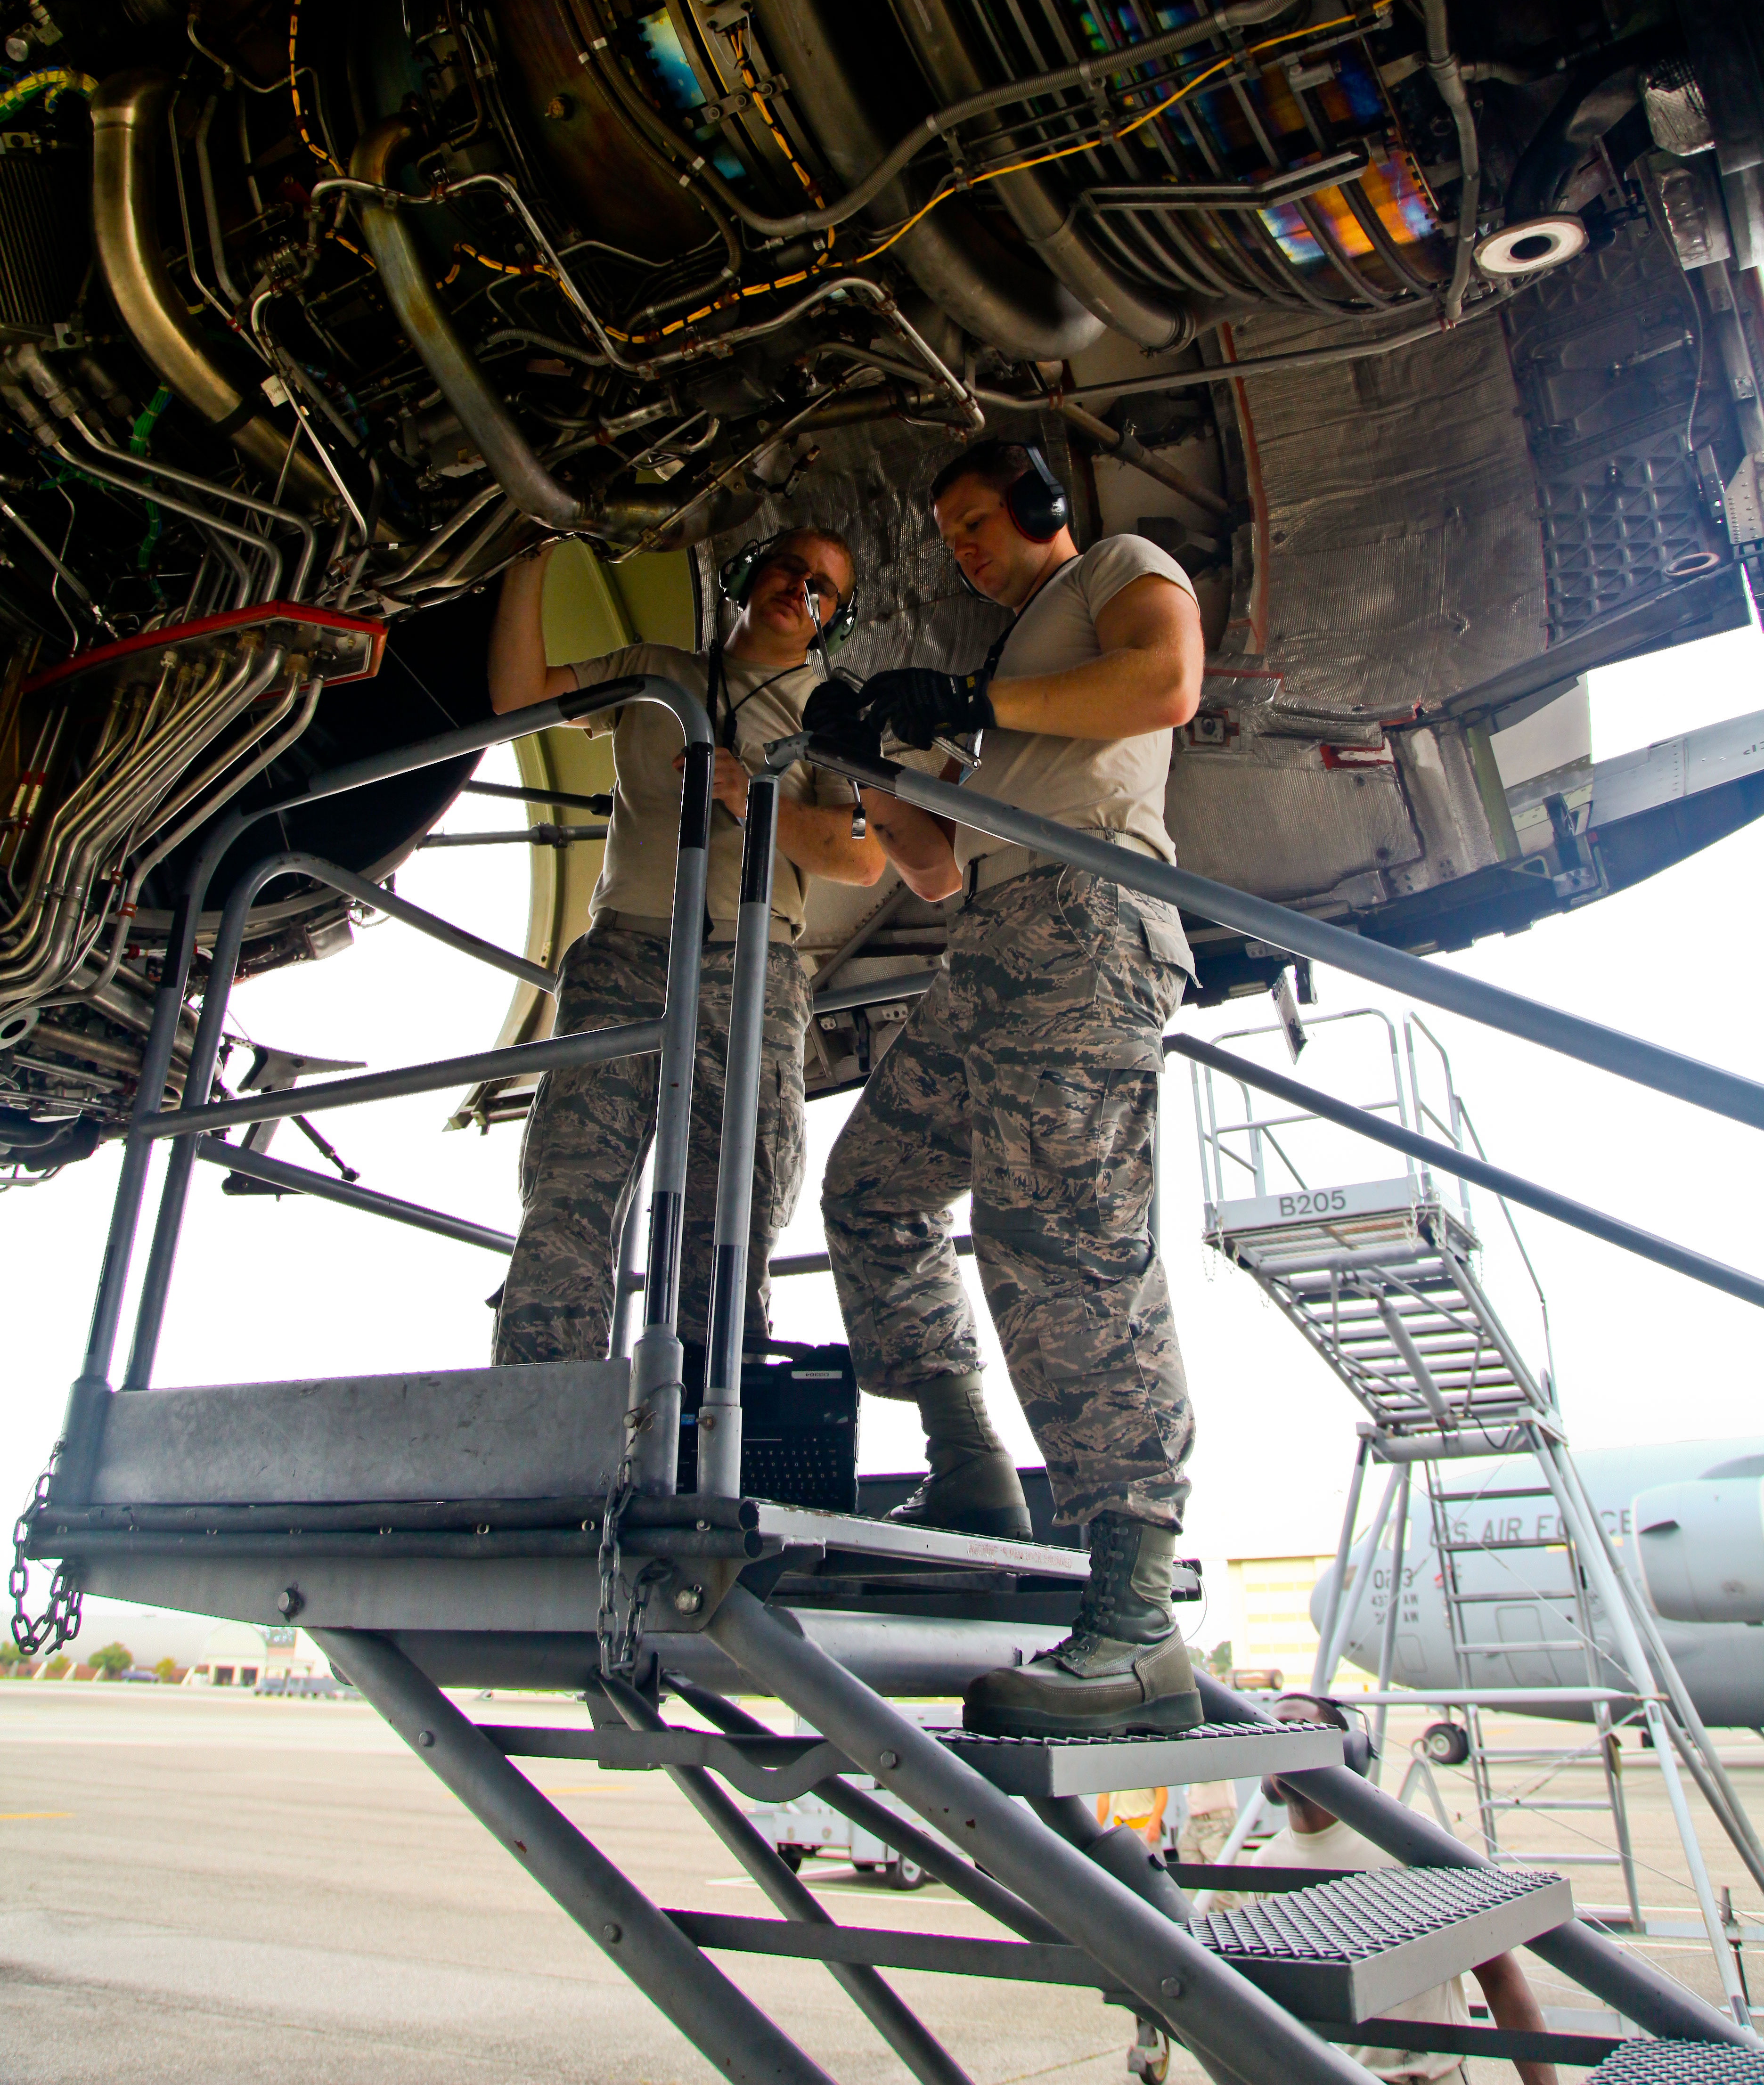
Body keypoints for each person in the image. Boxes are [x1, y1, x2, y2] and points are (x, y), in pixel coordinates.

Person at [806, 439, 1205, 1738]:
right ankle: (972, 1466)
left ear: (1039, 505)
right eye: (950, 535)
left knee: (1066, 1242)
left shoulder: (1113, 573)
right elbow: (930, 867)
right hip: (989, 940)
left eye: (976, 521)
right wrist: (867, 764)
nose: (965, 551)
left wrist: (974, 698)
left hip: (1087, 918)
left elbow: (1166, 680)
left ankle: (1134, 1623)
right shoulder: (1010, 691)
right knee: (872, 1186)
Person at [487, 528, 884, 1365]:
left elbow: (860, 854)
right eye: (789, 568)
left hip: (752, 971)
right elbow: (521, 697)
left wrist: (755, 795)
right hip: (625, 956)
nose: (799, 589)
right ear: (748, 572)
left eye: (822, 589)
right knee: (570, 1185)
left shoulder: (831, 715)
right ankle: (539, 1400)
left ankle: (710, 1407)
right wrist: (529, 557)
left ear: (834, 622)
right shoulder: (652, 671)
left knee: (732, 1206)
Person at [1206, 1695, 1560, 2085]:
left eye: (1298, 1729)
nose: (1281, 1742)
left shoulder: (1406, 1839)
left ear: (1346, 1753)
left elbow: (1498, 1974)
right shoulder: (1267, 1865)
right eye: (1271, 1732)